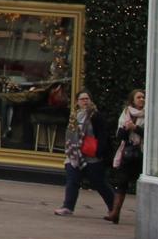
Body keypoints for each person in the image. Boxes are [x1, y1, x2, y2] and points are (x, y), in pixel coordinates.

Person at [55, 90, 115, 216]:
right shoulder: (74, 116)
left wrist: (99, 152)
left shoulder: (95, 116)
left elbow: (103, 135)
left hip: (91, 156)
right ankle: (68, 207)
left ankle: (114, 208)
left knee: (100, 183)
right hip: (75, 155)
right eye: (82, 99)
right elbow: (70, 135)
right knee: (72, 180)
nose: (85, 101)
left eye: (87, 98)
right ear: (77, 102)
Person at [107, 88, 145, 224]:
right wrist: (125, 128)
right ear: (133, 100)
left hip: (142, 153)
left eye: (143, 97)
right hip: (128, 152)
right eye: (139, 97)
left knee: (141, 183)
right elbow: (119, 135)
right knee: (121, 182)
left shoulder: (148, 114)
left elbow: (150, 133)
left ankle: (144, 216)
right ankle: (115, 213)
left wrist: (136, 128)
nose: (142, 99)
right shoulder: (126, 113)